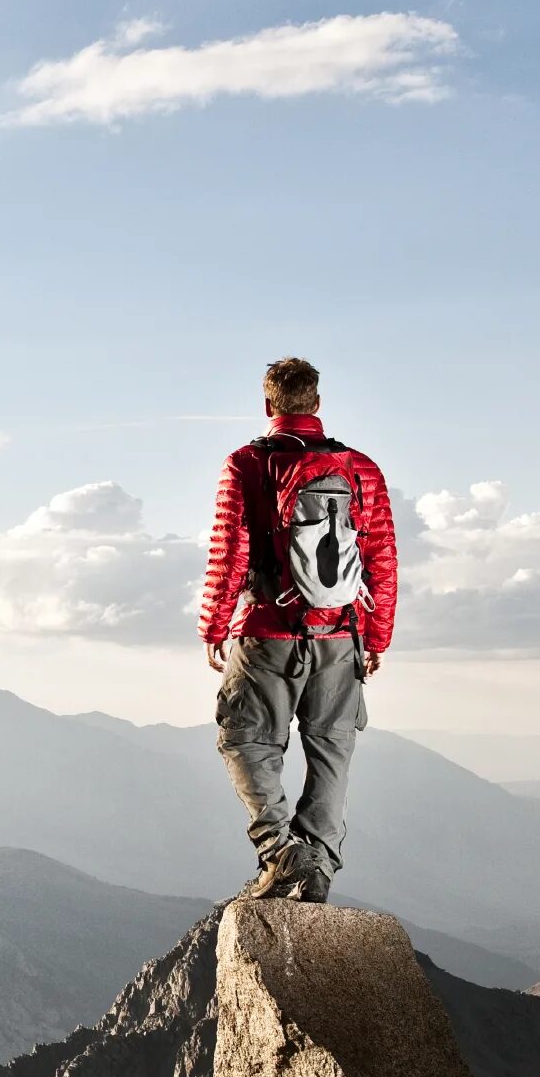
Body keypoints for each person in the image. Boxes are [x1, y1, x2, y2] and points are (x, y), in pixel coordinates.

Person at [197, 357, 399, 903]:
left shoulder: (245, 464)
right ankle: (319, 870)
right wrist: (375, 638)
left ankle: (283, 856)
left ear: (269, 406)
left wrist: (214, 624)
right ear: (317, 404)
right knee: (332, 750)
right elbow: (381, 557)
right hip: (340, 635)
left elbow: (230, 552)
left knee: (246, 740)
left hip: (266, 632)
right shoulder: (360, 468)